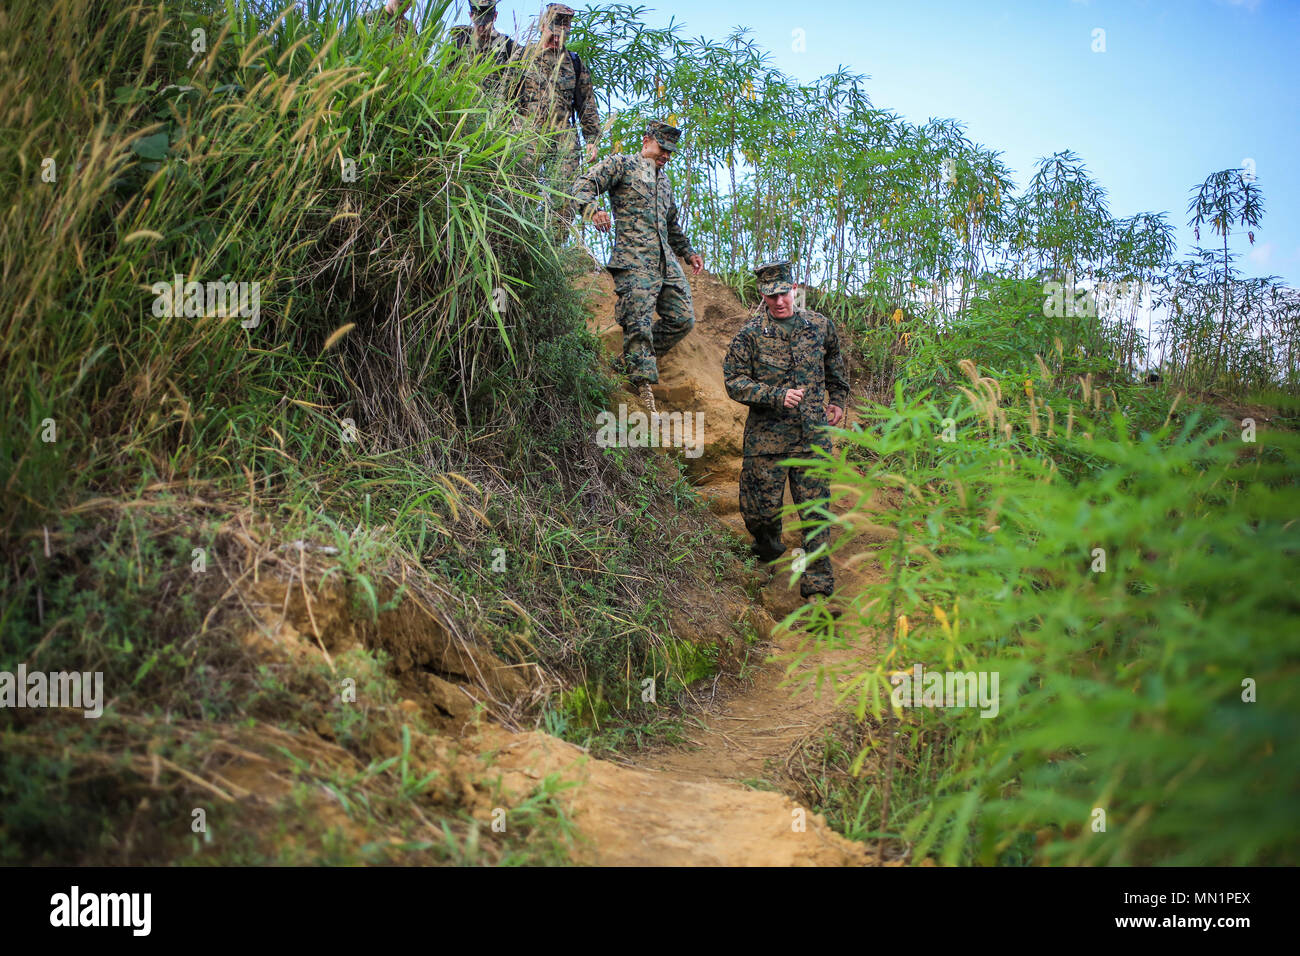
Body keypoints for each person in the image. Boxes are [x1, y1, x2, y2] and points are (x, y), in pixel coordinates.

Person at [722, 260, 849, 607]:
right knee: (761, 514)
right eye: (770, 296)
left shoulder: (820, 327)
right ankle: (767, 546)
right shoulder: (749, 335)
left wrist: (837, 401)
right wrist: (775, 395)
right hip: (767, 442)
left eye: (783, 294)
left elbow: (836, 367)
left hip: (812, 439)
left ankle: (819, 591)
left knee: (815, 514)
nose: (778, 302)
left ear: (795, 289)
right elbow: (734, 381)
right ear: (761, 295)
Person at [573, 119, 704, 413]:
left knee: (683, 319)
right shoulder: (621, 165)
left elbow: (671, 225)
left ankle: (626, 363)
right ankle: (642, 386)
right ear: (646, 141)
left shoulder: (665, 182)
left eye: (670, 152)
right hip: (633, 259)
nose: (666, 156)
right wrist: (593, 210)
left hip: (665, 261)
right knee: (639, 321)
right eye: (662, 148)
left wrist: (688, 252)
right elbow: (582, 185)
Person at [515, 4, 601, 226]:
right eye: (553, 35)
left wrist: (592, 140)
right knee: (521, 189)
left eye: (562, 36)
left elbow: (587, 104)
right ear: (543, 27)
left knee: (564, 198)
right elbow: (506, 93)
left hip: (564, 138)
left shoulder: (574, 63)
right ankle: (520, 240)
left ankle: (553, 246)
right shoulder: (522, 56)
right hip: (527, 133)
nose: (556, 41)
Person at [449, 0, 517, 65]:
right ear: (471, 16)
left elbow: (525, 57)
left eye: (487, 22)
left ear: (495, 16)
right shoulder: (461, 41)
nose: (482, 27)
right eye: (478, 21)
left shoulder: (505, 43)